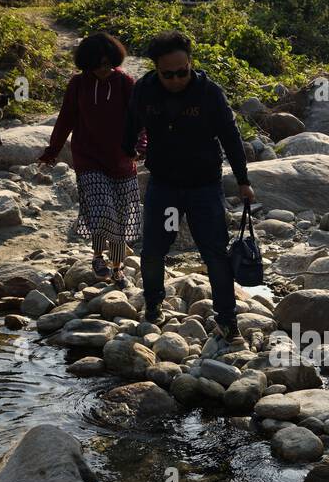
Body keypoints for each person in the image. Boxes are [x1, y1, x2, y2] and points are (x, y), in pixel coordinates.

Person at [123, 30, 254, 345]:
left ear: (191, 63)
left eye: (182, 72)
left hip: (203, 189)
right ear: (156, 69)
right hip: (165, 188)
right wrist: (127, 151)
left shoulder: (209, 94)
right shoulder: (145, 91)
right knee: (154, 248)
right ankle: (153, 305)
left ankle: (227, 319)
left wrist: (243, 180)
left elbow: (231, 137)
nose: (176, 79)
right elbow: (130, 124)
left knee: (215, 253)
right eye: (168, 74)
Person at [39, 32, 140, 288]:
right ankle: (97, 257)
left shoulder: (125, 83)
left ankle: (117, 269)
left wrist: (141, 144)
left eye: (108, 63)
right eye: (98, 64)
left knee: (119, 218)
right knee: (100, 210)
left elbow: (139, 120)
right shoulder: (78, 85)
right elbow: (66, 120)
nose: (104, 69)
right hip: (88, 159)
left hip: (121, 160)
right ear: (87, 64)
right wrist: (52, 150)